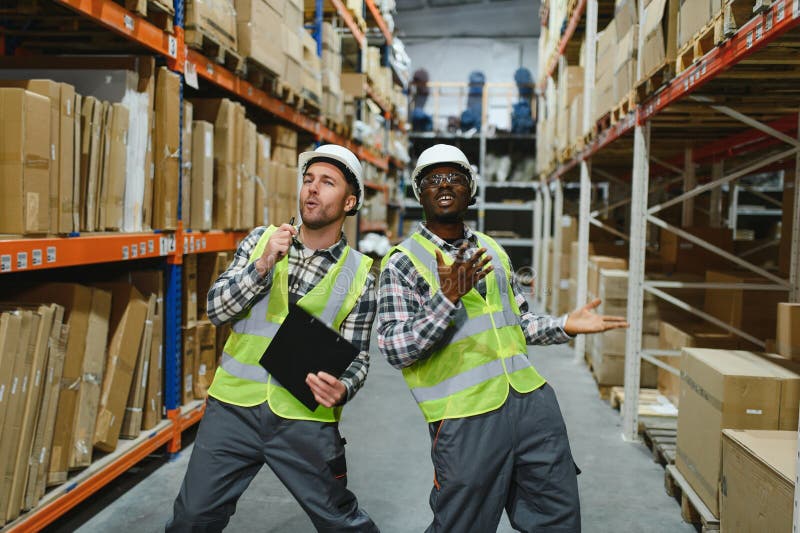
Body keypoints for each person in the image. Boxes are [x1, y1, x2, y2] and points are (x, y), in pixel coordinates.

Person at [377, 144, 629, 533]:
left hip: (533, 405)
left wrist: (565, 324)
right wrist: (447, 298)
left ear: (470, 190)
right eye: (433, 180)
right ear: (419, 192)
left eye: (455, 178)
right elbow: (396, 349)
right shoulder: (403, 262)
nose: (444, 186)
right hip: (465, 417)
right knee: (461, 524)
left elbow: (520, 322)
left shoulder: (493, 250)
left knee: (556, 517)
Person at [167, 144, 380, 532]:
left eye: (327, 183)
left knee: (342, 522)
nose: (312, 189)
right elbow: (216, 310)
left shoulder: (360, 273)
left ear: (350, 202)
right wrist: (262, 265)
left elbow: (359, 358)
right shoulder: (261, 241)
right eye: (308, 180)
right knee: (192, 518)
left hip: (303, 417)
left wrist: (343, 387)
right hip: (233, 408)